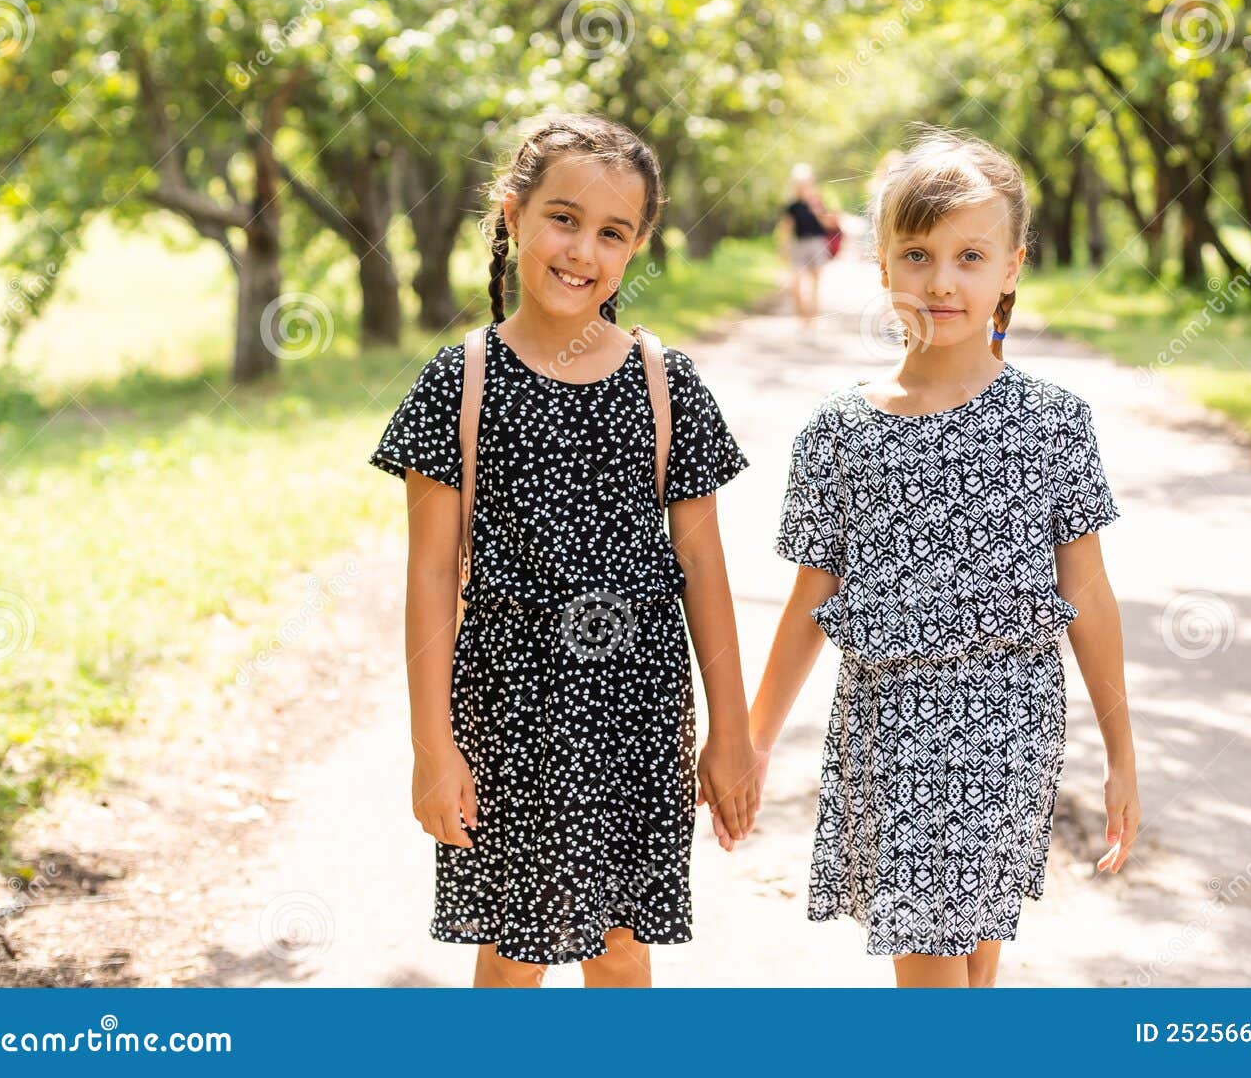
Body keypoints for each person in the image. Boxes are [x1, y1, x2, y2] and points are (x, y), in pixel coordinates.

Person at [368, 113, 759, 988]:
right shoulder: (460, 382)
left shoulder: (667, 383)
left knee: (621, 949)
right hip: (512, 712)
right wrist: (433, 747)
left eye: (612, 232)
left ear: (636, 248)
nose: (582, 249)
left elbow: (705, 573)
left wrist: (731, 732)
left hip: (640, 712)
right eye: (563, 218)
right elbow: (431, 577)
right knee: (512, 955)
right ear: (512, 215)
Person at [745, 126, 1141, 988]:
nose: (942, 281)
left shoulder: (1053, 421)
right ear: (882, 267)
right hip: (892, 724)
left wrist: (1122, 753)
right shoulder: (841, 431)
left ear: (1011, 267)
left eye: (970, 255)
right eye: (918, 255)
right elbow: (813, 597)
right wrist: (753, 738)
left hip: (1013, 724)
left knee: (973, 962)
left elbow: (1091, 596)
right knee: (933, 973)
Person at [775, 162, 840, 326]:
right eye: (802, 183)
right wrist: (783, 248)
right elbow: (786, 228)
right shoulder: (792, 205)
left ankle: (812, 321)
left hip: (817, 244)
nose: (805, 186)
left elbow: (830, 224)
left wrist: (817, 210)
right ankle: (802, 318)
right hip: (799, 245)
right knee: (795, 285)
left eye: (807, 182)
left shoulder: (818, 201)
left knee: (814, 286)